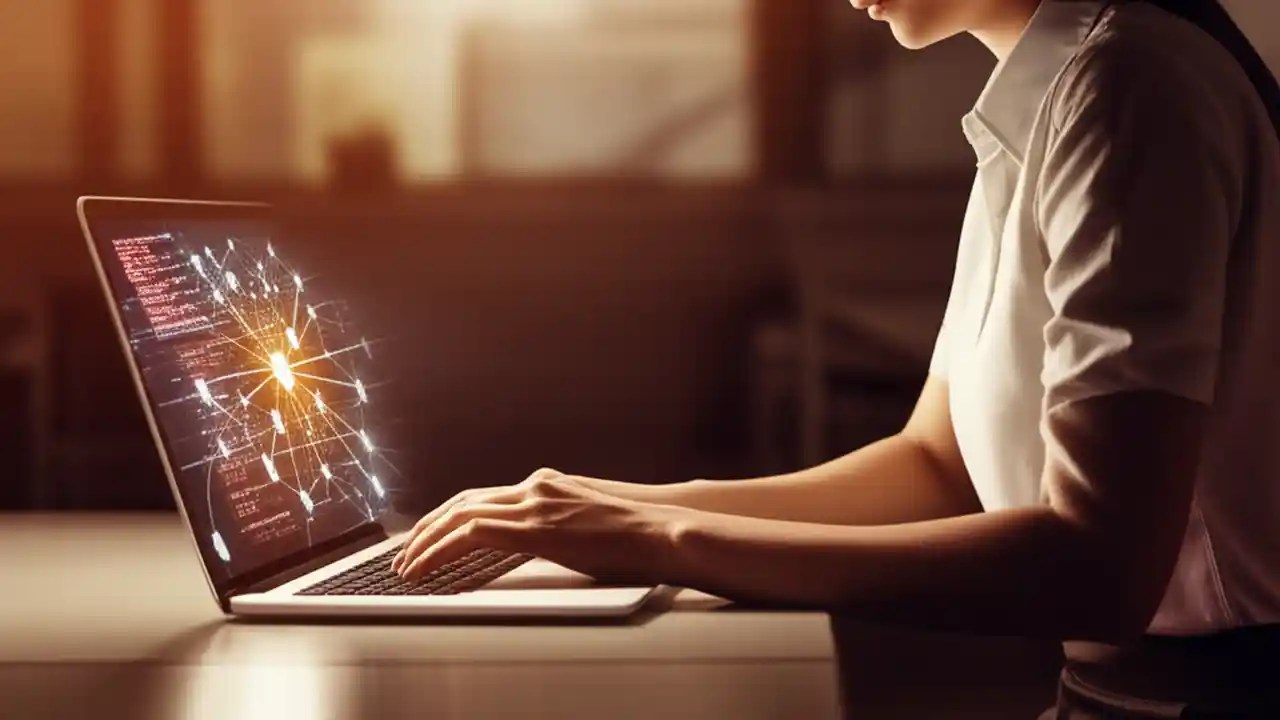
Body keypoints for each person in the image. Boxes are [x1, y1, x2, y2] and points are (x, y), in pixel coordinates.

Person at [394, 0, 1280, 712]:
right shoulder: (1052, 93)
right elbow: (936, 463)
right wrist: (617, 506)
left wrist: (669, 541)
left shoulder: (1130, 81)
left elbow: (1103, 571)